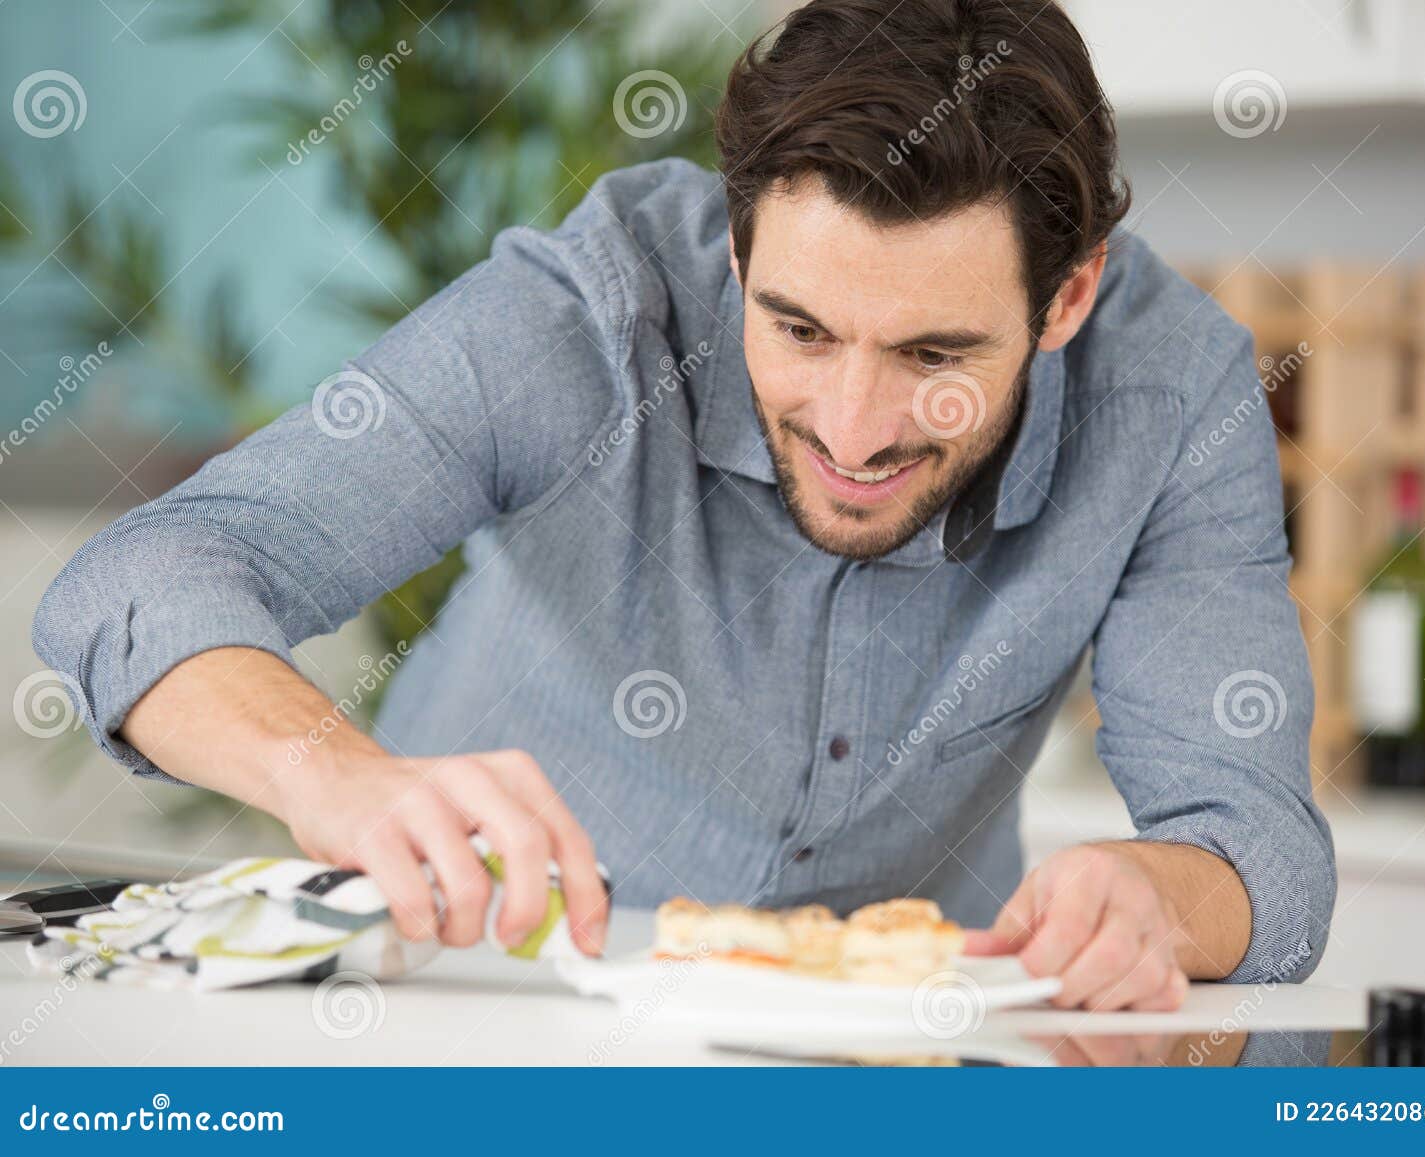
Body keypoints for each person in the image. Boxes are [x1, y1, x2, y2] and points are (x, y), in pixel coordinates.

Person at [33, 0, 1333, 1010]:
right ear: (736, 243)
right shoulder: (585, 315)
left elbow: (1257, 841)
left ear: (1068, 299)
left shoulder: (1174, 395)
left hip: (894, 1051)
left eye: (935, 358)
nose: (855, 427)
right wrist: (335, 772)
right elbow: (142, 576)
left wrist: (1164, 894)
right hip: (488, 1010)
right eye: (799, 327)